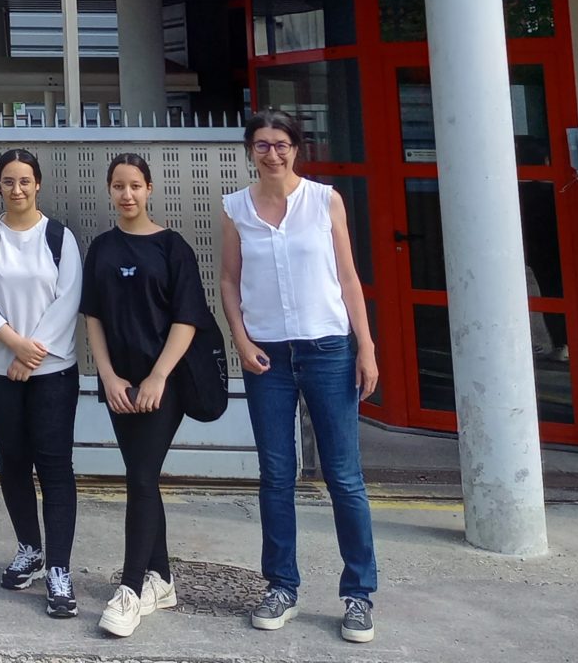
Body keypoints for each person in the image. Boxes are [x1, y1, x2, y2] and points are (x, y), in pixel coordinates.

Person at [220, 109, 380, 645]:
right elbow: (228, 281)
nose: (272, 154)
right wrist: (241, 340)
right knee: (276, 475)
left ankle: (358, 594)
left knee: (343, 474)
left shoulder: (324, 201)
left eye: (281, 144)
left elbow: (349, 277)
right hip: (267, 355)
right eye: (262, 145)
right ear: (250, 150)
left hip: (328, 347)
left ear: (297, 147)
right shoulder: (235, 208)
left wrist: (367, 347)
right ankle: (281, 585)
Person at [80, 151, 214, 638]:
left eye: (135, 185)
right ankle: (164, 580)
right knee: (143, 476)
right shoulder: (102, 248)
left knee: (139, 475)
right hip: (120, 384)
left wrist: (157, 377)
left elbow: (188, 319)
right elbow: (93, 317)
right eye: (119, 186)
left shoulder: (172, 246)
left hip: (166, 382)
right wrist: (109, 376)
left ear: (149, 188)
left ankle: (131, 588)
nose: (127, 194)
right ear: (110, 191)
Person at [0, 148, 83, 620]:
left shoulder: (59, 237)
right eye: (9, 181)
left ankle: (59, 569)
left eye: (25, 181)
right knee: (13, 461)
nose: (17, 189)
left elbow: (68, 298)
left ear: (38, 185)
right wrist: (14, 345)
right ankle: (29, 549)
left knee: (55, 467)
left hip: (51, 371)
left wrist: (31, 355)